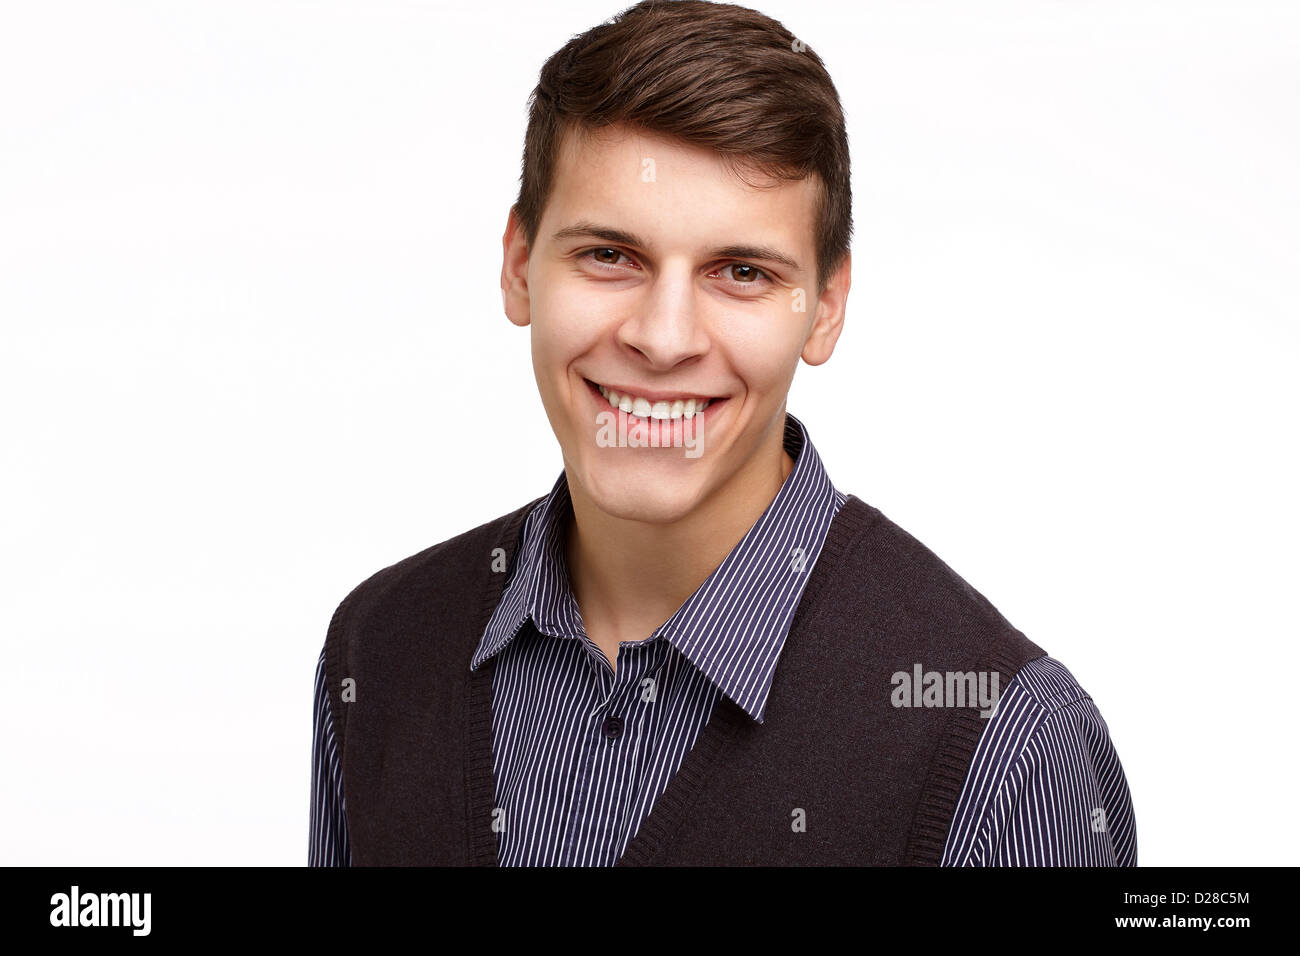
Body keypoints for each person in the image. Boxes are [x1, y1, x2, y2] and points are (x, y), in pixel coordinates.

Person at [310, 0, 1135, 866]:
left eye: (741, 273)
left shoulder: (1006, 748)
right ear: (519, 265)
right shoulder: (380, 648)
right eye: (609, 255)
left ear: (826, 307)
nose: (663, 339)